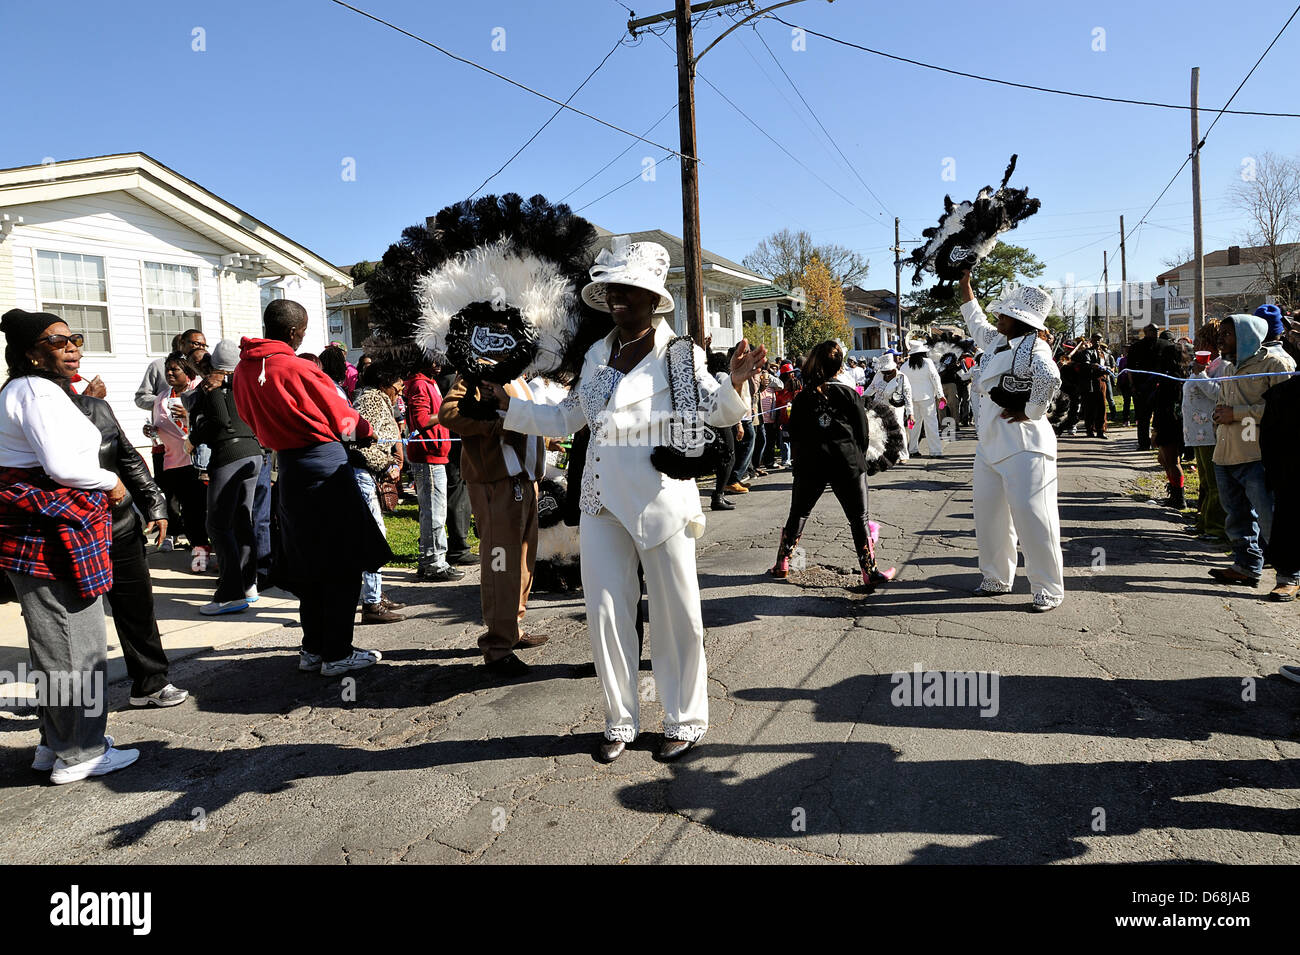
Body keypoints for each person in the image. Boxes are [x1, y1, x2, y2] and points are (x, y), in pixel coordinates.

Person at [490, 239, 764, 762]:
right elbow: (568, 417)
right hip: (600, 502)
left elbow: (717, 412)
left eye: (628, 289)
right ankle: (620, 720)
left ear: (653, 298)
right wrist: (508, 407)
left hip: (661, 500)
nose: (616, 297)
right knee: (606, 614)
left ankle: (684, 719)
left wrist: (738, 385)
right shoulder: (598, 356)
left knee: (677, 615)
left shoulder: (680, 354)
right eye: (611, 288)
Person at [0, 309, 140, 782]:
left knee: (51, 645)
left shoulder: (28, 390)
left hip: (36, 533)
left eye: (74, 337)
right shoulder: (36, 391)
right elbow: (62, 466)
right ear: (30, 353)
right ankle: (80, 752)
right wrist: (111, 480)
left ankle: (54, 743)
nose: (72, 346)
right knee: (74, 645)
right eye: (58, 341)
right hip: (50, 532)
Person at [233, 299, 390, 676]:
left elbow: (246, 416)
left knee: (310, 563)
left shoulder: (242, 369)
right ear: (292, 332)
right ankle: (337, 652)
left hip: (287, 468)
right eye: (303, 330)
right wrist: (367, 433)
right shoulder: (298, 368)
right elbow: (343, 419)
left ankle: (313, 649)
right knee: (343, 560)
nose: (304, 335)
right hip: (324, 465)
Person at [68, 378, 189, 707]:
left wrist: (155, 503)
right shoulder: (28, 408)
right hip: (70, 532)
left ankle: (150, 684)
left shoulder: (97, 408)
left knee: (136, 607)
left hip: (119, 524)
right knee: (73, 626)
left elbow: (129, 458)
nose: (72, 351)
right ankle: (68, 717)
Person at [958, 271, 1065, 612]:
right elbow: (974, 319)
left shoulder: (1035, 346)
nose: (997, 317)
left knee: (1034, 517)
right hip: (990, 444)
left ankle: (1047, 587)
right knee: (989, 516)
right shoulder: (996, 342)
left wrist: (1031, 411)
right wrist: (965, 284)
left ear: (1020, 320)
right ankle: (996, 577)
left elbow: (1050, 377)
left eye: (1004, 313)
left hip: (1024, 446)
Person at [440, 366, 549, 678]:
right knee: (501, 565)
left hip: (524, 482)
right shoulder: (477, 372)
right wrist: (496, 426)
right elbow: (448, 413)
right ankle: (497, 646)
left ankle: (511, 629)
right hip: (498, 484)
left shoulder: (516, 373)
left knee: (523, 562)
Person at [769, 340, 893, 588]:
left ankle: (783, 563)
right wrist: (858, 457)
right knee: (859, 517)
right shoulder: (849, 393)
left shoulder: (803, 397)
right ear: (839, 366)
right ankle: (869, 571)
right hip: (846, 461)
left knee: (799, 513)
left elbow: (794, 432)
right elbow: (862, 433)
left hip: (811, 463)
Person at [1207, 313, 1295, 587]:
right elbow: (1224, 403)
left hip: (1257, 455)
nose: (1220, 339)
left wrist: (1238, 413)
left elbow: (1288, 410)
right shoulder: (1228, 366)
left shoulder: (1275, 364)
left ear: (1247, 336)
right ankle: (1246, 566)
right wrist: (1219, 415)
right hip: (1225, 454)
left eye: (1227, 334)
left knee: (1271, 519)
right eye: (1220, 333)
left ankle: (1289, 575)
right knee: (1237, 517)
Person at [189, 340, 263, 615]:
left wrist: (194, 438)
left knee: (218, 525)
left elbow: (220, 421)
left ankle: (230, 593)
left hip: (229, 454)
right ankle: (248, 584)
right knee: (243, 520)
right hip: (254, 452)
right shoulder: (247, 384)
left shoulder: (212, 388)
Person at [350, 358, 408, 623]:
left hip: (371, 474)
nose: (401, 386)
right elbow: (358, 445)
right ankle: (371, 604)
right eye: (398, 381)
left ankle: (376, 594)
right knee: (375, 536)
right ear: (385, 381)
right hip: (364, 474)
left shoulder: (378, 400)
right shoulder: (369, 401)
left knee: (375, 534)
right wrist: (387, 465)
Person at [405, 353, 463, 582]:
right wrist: (445, 416)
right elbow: (420, 421)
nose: (438, 364)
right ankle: (433, 563)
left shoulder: (428, 382)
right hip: (428, 455)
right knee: (434, 512)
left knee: (434, 510)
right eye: (432, 360)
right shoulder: (421, 384)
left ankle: (430, 559)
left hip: (434, 454)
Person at [153, 351, 211, 571]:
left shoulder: (198, 393)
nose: (169, 373)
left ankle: (205, 553)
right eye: (167, 369)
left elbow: (208, 423)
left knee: (202, 510)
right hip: (173, 461)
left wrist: (188, 416)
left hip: (197, 462)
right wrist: (151, 429)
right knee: (188, 511)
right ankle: (199, 552)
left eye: (174, 369)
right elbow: (158, 424)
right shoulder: (162, 397)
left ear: (187, 374)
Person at [1183, 322, 1227, 542]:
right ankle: (1204, 522)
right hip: (1197, 433)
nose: (1197, 343)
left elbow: (1217, 394)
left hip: (1210, 432)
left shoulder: (1222, 366)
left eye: (1201, 340)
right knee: (1205, 482)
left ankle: (1216, 527)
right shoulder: (1206, 365)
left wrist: (1200, 375)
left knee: (1214, 483)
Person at [1151, 340, 1192, 508]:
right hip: (1180, 422)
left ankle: (1178, 497)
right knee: (1164, 459)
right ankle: (1175, 491)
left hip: (1169, 423)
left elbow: (1162, 405)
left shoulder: (1169, 379)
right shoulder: (1185, 374)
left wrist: (1155, 430)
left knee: (1172, 461)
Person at [864, 352, 913, 462]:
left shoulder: (902, 377)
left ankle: (903, 455)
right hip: (879, 407)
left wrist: (910, 413)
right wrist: (861, 398)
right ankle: (885, 456)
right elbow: (871, 389)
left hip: (895, 408)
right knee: (881, 431)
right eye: (884, 371)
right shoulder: (878, 375)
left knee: (899, 430)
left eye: (887, 371)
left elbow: (908, 396)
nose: (885, 373)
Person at [901, 340, 944, 458]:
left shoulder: (905, 366)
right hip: (927, 398)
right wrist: (941, 395)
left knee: (913, 426)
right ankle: (935, 451)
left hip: (912, 399)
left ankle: (913, 449)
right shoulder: (928, 363)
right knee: (931, 424)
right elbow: (935, 379)